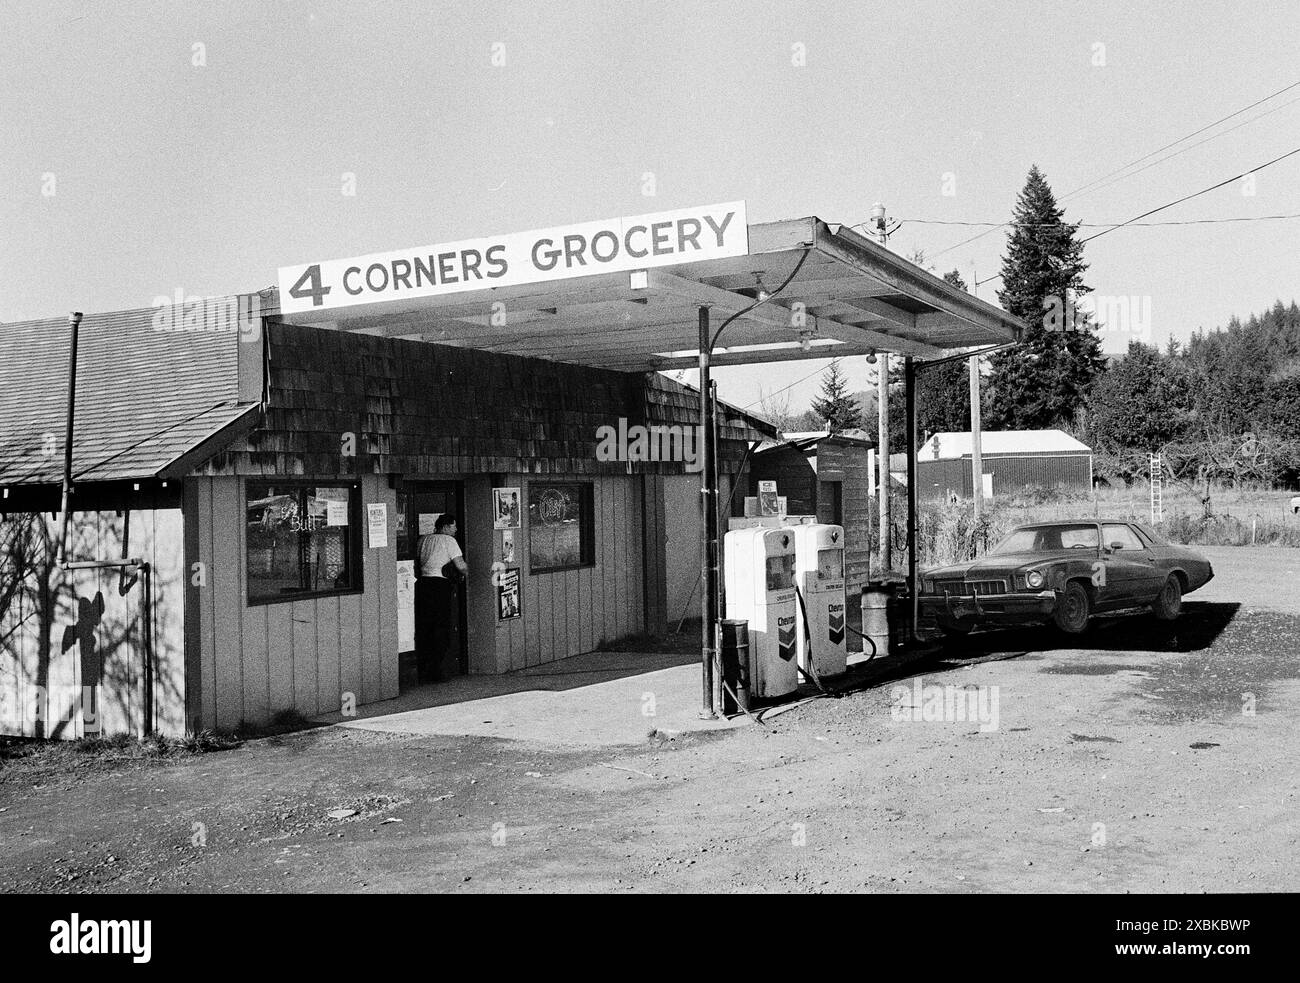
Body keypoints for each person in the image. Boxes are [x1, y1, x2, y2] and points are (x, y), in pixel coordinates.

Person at [415, 514, 468, 683]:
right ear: (445, 527)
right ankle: (438, 670)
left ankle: (423, 669)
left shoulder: (423, 540)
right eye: (453, 526)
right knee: (441, 627)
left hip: (423, 584)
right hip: (440, 585)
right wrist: (467, 574)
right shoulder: (449, 541)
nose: (456, 529)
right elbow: (460, 565)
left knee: (424, 628)